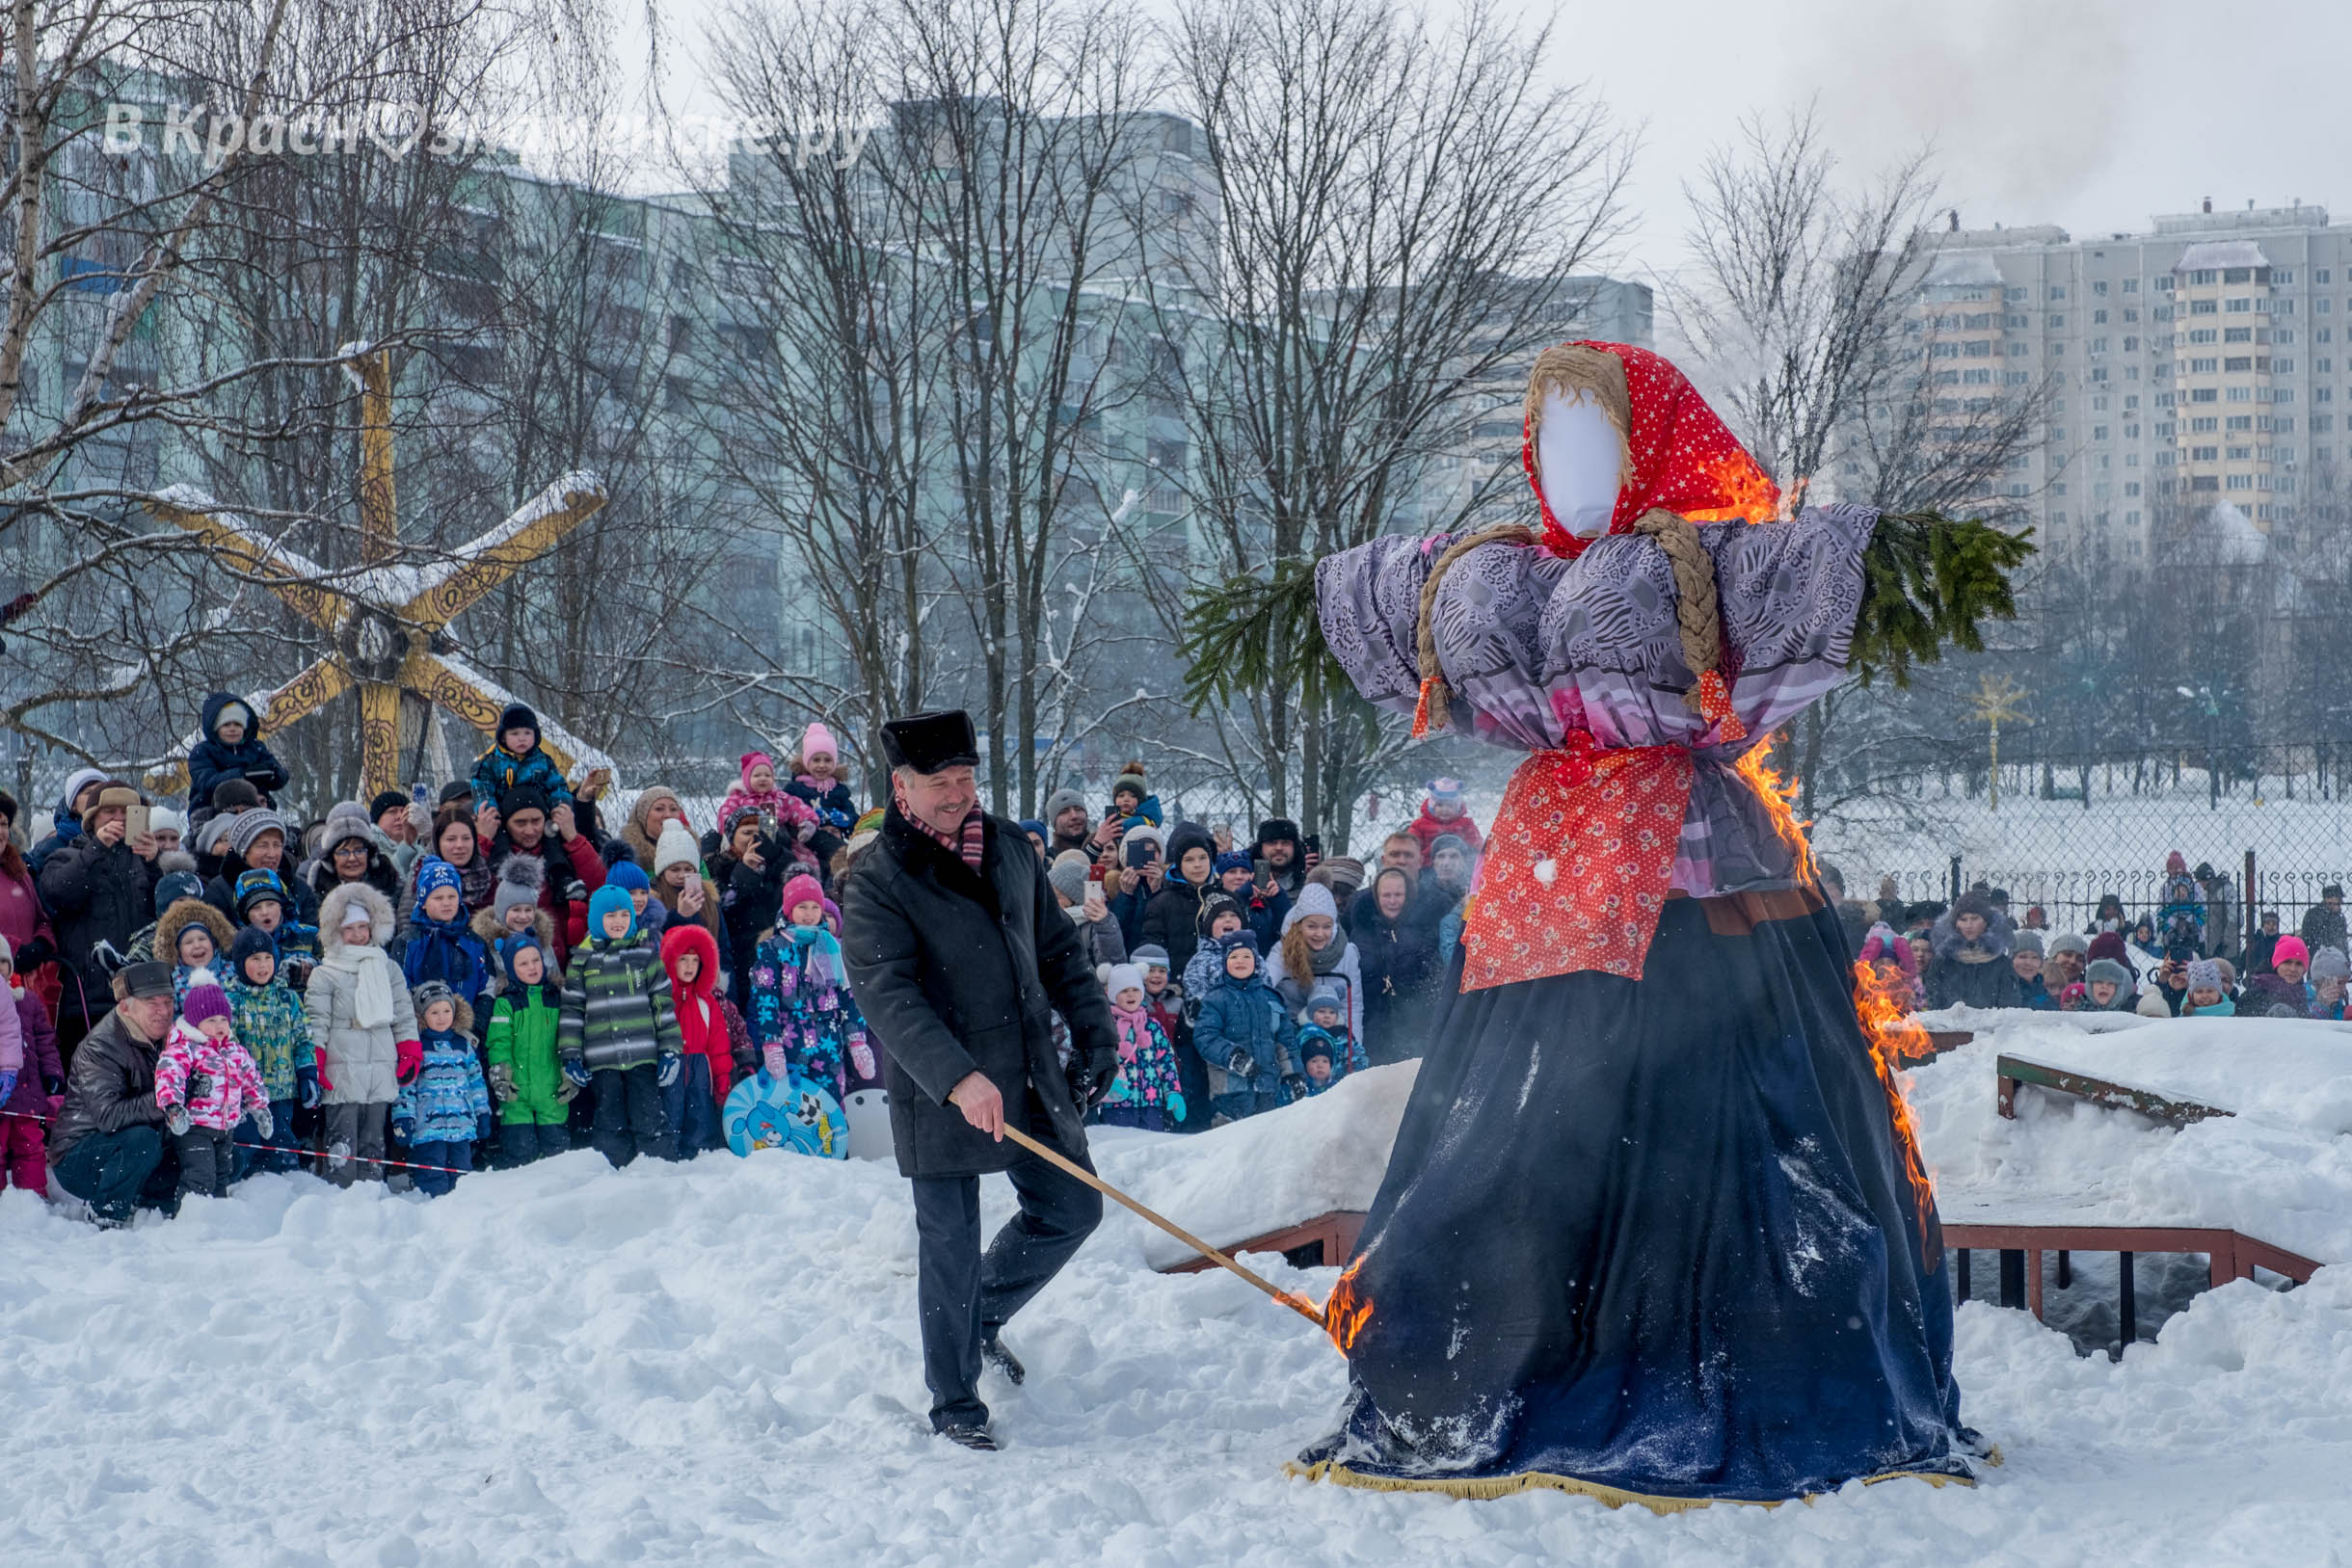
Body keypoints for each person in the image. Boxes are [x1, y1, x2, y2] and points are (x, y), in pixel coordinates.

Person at [1301, 340, 1973, 1502]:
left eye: (1593, 436)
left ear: (1647, 444)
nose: (1567, 467)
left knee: (1731, 1147)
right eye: (1547, 436)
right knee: (1505, 1144)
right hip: (1548, 882)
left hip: (1696, 880)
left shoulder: (1703, 560)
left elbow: (1799, 591)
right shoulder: (1495, 572)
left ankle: (1720, 1361)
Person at [838, 709, 1117, 1452]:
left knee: (1072, 1207)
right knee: (950, 1243)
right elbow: (887, 994)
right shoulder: (877, 880)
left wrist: (1095, 1028)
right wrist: (958, 1078)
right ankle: (955, 1400)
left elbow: (1057, 948)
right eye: (941, 782)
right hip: (941, 1088)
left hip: (1026, 1069)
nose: (960, 793)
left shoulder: (1010, 848)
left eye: (967, 777)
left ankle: (983, 1316)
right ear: (901, 785)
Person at [47, 961, 182, 1225]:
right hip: (80, 1156)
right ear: (125, 1006)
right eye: (152, 1003)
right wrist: (167, 1097)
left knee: (211, 1148)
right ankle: (106, 1212)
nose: (164, 1011)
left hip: (138, 1145)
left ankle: (153, 1203)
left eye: (168, 1002)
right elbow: (109, 1117)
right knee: (142, 1141)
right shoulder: (99, 1048)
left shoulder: (174, 1037)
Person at [559, 885, 683, 1167]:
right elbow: (572, 1011)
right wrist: (571, 1055)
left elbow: (663, 1006)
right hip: (603, 1059)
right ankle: (613, 1176)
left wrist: (670, 1050)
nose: (619, 922)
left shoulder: (645, 956)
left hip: (642, 1056)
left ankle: (659, 1170)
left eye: (625, 915)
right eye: (611, 916)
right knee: (609, 1119)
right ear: (595, 920)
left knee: (649, 1116)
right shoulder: (582, 961)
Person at [38, 783, 163, 1059]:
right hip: (87, 998)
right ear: (92, 817)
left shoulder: (144, 860)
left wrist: (156, 861)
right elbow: (59, 893)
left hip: (140, 993)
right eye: (110, 811)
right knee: (91, 1081)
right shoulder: (66, 855)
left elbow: (166, 912)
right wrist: (96, 849)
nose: (118, 818)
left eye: (126, 811)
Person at [307, 885, 420, 1188]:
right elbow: (317, 1021)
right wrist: (315, 1058)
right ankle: (339, 1189)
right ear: (335, 931)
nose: (358, 935)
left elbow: (404, 1014)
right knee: (342, 1138)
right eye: (349, 928)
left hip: (380, 1067)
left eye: (363, 927)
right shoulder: (325, 973)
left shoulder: (387, 967)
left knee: (373, 1138)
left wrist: (409, 1048)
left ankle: (372, 1190)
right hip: (342, 1067)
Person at [153, 970, 269, 1200]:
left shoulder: (235, 1052)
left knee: (222, 1175)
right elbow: (168, 1075)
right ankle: (190, 1219)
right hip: (195, 1128)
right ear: (195, 1023)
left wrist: (260, 1108)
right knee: (200, 1176)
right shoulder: (186, 1050)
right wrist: (173, 1107)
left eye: (224, 1019)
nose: (220, 1025)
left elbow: (251, 1080)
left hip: (225, 1129)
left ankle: (217, 1220)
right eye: (211, 1020)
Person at [478, 784, 606, 971]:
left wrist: (573, 838)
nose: (530, 830)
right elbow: (474, 891)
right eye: (520, 823)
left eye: (536, 821)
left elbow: (600, 884)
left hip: (567, 965)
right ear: (505, 824)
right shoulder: (495, 858)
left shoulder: (560, 854)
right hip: (514, 969)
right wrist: (482, 842)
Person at [221, 926, 312, 1177]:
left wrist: (307, 1072)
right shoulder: (231, 1001)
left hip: (282, 1089)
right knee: (247, 1144)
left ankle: (285, 1184)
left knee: (281, 1141)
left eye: (268, 958)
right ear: (240, 964)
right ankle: (245, 1186)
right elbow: (226, 1046)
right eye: (255, 959)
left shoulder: (288, 998)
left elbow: (303, 1038)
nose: (263, 966)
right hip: (246, 1095)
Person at [394, 981, 492, 1197]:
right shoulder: (417, 1046)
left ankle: (460, 1213)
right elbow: (406, 1088)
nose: (441, 1017)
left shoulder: (463, 1045)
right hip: (428, 1128)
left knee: (462, 1174)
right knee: (432, 1174)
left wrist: (483, 1113)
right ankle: (432, 1211)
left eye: (446, 1011)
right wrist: (403, 1118)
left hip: (461, 1125)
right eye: (434, 1012)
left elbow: (476, 1082)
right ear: (421, 1016)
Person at [661, 923, 749, 1158]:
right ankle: (667, 1161)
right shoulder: (662, 1001)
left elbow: (718, 1047)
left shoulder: (706, 1002)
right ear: (671, 960)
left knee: (701, 1118)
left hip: (701, 1070)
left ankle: (702, 1160)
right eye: (683, 959)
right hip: (671, 1067)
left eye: (695, 960)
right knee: (669, 1117)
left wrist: (722, 1078)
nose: (690, 966)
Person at [484, 935, 573, 1165]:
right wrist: (501, 1075)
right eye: (523, 963)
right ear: (512, 969)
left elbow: (568, 1037)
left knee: (557, 1157)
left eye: (536, 960)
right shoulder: (506, 1002)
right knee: (521, 1155)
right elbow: (499, 1042)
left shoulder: (556, 998)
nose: (532, 967)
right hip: (517, 1092)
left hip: (551, 1091)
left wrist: (569, 1070)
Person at [1190, 931, 1296, 1119]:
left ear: (1256, 962)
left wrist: (1293, 1074)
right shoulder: (1216, 999)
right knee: (1231, 1143)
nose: (1240, 961)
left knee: (1264, 1142)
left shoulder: (1271, 998)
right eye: (1234, 956)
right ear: (1225, 963)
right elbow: (1205, 1037)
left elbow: (1285, 1041)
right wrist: (1233, 1057)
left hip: (1267, 1088)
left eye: (1247, 956)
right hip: (1229, 1091)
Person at [1264, 883, 1366, 1052]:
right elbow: (1264, 985)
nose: (1320, 934)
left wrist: (1353, 1048)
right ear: (1299, 925)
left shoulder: (1347, 952)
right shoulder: (1283, 950)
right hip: (1294, 1033)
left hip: (1333, 1035)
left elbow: (1352, 1005)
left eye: (1326, 926)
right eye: (1312, 926)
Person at [1353, 867, 1436, 1063]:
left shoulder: (1422, 929)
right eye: (1386, 895)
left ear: (1408, 896)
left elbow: (1432, 977)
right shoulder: (1361, 931)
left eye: (1398, 895)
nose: (1392, 901)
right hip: (1373, 1020)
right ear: (1376, 896)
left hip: (1411, 1019)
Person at [0, 937, 61, 1193]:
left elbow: (46, 1041)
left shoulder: (28, 1000)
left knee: (31, 1148)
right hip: (2, 1096)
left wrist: (53, 1073)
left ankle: (33, 1197)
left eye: (2, 962)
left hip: (27, 1092)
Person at [1096, 963, 1183, 1130]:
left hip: (1151, 1104)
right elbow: (1097, 1061)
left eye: (1135, 989)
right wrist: (1103, 1085)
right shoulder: (1106, 1027)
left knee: (1149, 1151)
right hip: (1116, 1106)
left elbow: (1167, 1061)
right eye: (1124, 990)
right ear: (1112, 994)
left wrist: (1173, 1091)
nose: (1131, 995)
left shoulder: (1153, 1027)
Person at [400, 859, 492, 1012]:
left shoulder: (474, 942)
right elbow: (401, 989)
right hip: (421, 1030)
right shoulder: (408, 942)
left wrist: (477, 1027)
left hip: (467, 1030)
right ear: (423, 902)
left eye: (452, 896)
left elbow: (487, 988)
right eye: (438, 898)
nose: (446, 903)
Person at [185, 692, 290, 813]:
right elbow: (207, 783)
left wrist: (272, 773)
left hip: (255, 807)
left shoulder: (256, 748)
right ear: (215, 728)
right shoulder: (202, 752)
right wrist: (243, 774)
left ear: (244, 728)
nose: (232, 729)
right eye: (226, 724)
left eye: (237, 724)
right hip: (211, 810)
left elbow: (281, 776)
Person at [1140, 823, 1218, 977]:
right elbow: (1153, 948)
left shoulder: (1225, 898)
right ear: (1178, 865)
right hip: (1176, 983)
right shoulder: (1162, 903)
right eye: (1189, 860)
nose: (1197, 865)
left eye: (1203, 858)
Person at [1925, 890, 2020, 1010]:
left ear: (1986, 922)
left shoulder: (2001, 963)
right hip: (1948, 1026)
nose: (1969, 925)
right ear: (1956, 924)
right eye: (1963, 919)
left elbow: (2009, 1006)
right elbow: (1931, 1000)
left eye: (1975, 918)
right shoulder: (1943, 961)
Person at [469, 703, 574, 810]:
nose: (522, 738)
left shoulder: (544, 761)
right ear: (503, 737)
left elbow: (558, 787)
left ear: (535, 735)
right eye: (515, 734)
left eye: (527, 733)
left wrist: (560, 807)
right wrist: (490, 812)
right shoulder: (490, 763)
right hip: (503, 817)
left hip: (539, 816)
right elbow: (482, 790)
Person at [1048, 852, 1127, 970]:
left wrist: (1105, 926)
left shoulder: (1097, 923)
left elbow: (1111, 965)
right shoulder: (1045, 920)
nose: (1049, 902)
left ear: (1074, 901)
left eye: (1057, 897)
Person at [787, 723, 859, 831]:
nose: (822, 765)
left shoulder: (839, 791)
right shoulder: (795, 790)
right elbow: (786, 815)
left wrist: (846, 819)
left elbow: (853, 816)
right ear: (807, 762)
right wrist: (807, 817)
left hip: (835, 837)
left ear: (834, 763)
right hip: (804, 840)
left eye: (827, 760)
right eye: (816, 760)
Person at [1295, 980, 1366, 1088]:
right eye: (1322, 1011)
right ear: (1311, 1014)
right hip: (1310, 1081)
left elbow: (1356, 1054)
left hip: (1339, 1081)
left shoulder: (1343, 1035)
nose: (1327, 1016)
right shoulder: (1305, 1034)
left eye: (1332, 1012)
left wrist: (1355, 1067)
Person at [1405, 778, 1483, 860]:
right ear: (1432, 807)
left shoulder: (1466, 824)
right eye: (1440, 805)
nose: (1445, 809)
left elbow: (1476, 844)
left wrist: (1472, 855)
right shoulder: (1420, 825)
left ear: (1457, 808)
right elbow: (1410, 845)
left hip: (1459, 866)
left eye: (1450, 806)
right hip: (1427, 865)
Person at [2242, 937, 2312, 1015]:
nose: (2293, 969)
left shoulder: (2301, 994)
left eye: (2299, 964)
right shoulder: (2258, 991)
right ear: (2277, 964)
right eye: (2287, 962)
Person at [1253, 818, 1306, 896]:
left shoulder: (1308, 883)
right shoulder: (1243, 878)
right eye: (1272, 842)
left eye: (1285, 843)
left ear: (1295, 848)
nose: (1279, 848)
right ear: (1260, 848)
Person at [2301, 886, 2348, 960]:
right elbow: (2308, 939)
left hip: (2335, 958)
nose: (2340, 902)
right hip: (2318, 957)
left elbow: (2343, 941)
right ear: (2327, 899)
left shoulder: (2340, 917)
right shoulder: (2314, 915)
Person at [2010, 931, 2053, 1010]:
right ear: (2011, 960)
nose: (2029, 962)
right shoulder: (2005, 988)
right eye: (2022, 957)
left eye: (2034, 957)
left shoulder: (2044, 990)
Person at [2247, 912, 2283, 976]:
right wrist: (2261, 939)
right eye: (2268, 923)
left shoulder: (2280, 941)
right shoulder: (2257, 938)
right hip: (2256, 974)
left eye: (2274, 924)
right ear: (2263, 925)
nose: (2270, 927)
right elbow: (2247, 957)